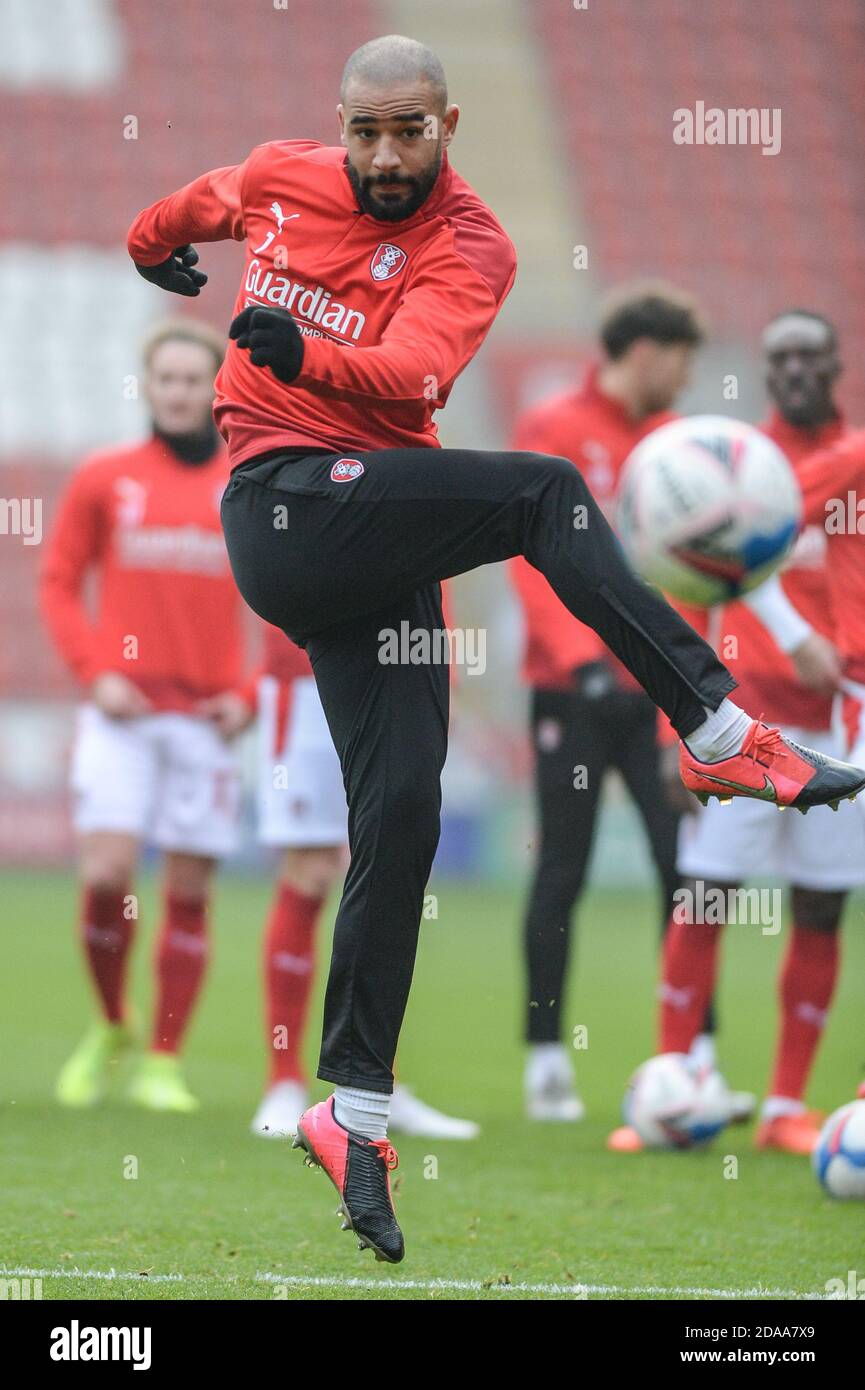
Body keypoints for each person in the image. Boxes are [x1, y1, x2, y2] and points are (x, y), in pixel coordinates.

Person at [126, 34, 865, 1262]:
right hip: (288, 509)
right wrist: (157, 253)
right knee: (542, 489)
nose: (380, 154)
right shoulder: (277, 172)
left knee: (402, 813)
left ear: (448, 126)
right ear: (340, 123)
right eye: (362, 129)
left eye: (406, 130)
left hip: (376, 530)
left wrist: (298, 348)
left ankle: (350, 1112)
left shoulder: (474, 246)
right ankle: (722, 728)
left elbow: (414, 367)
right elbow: (179, 212)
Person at [611, 310, 864, 1155]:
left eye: (808, 355)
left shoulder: (849, 462)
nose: (794, 369)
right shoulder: (726, 471)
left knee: (821, 910)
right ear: (763, 368)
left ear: (832, 363)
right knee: (705, 895)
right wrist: (668, 731)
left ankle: (786, 1107)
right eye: (778, 356)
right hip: (739, 726)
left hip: (841, 725)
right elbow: (681, 606)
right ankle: (670, 1083)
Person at [41, 321, 255, 1113]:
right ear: (148, 386)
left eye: (192, 380)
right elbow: (59, 583)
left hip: (207, 720)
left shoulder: (246, 483)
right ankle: (110, 1024)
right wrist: (93, 674)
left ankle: (165, 1059)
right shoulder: (106, 477)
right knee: (104, 874)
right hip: (123, 712)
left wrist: (254, 690)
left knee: (189, 891)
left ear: (215, 389)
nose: (177, 392)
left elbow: (290, 600)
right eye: (164, 379)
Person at [509, 284, 705, 1121]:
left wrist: (686, 702)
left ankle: (692, 1054)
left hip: (654, 695)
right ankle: (546, 1056)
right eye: (682, 360)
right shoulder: (554, 426)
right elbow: (527, 555)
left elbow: (692, 580)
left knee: (685, 867)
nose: (687, 377)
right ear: (647, 353)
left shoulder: (678, 445)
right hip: (570, 691)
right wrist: (580, 656)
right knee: (564, 866)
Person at [251, 621, 478, 1141]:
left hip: (397, 677)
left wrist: (446, 678)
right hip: (307, 680)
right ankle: (283, 1082)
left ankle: (377, 1084)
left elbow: (432, 580)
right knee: (309, 872)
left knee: (390, 873)